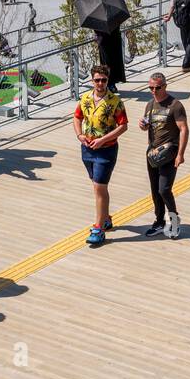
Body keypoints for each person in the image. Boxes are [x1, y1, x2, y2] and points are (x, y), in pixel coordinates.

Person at [72, 64, 128, 248]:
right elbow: (77, 116)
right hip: (87, 149)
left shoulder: (115, 102)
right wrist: (79, 135)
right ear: (92, 80)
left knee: (99, 187)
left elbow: (123, 125)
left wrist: (103, 140)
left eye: (104, 80)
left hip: (106, 150)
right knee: (98, 187)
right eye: (97, 80)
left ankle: (98, 228)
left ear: (108, 80)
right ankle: (105, 218)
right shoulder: (86, 97)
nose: (101, 83)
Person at [139, 72, 188, 239]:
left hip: (169, 153)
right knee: (155, 190)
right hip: (153, 153)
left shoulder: (175, 105)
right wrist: (143, 126)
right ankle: (159, 221)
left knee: (164, 189)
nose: (153, 91)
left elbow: (183, 129)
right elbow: (148, 125)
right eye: (151, 88)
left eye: (157, 88)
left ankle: (174, 220)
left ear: (165, 86)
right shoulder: (150, 104)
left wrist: (180, 154)